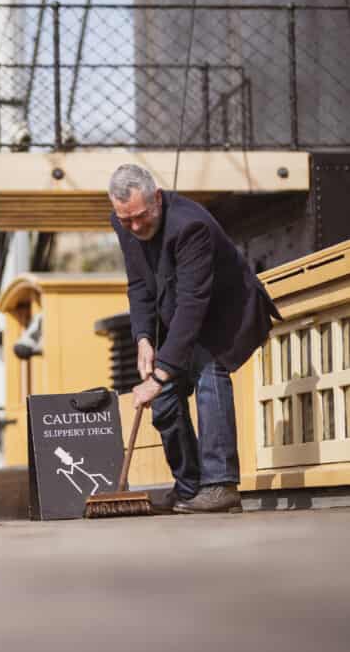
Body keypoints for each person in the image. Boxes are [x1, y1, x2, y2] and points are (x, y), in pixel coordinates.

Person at [109, 163, 281, 514]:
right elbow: (140, 284)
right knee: (166, 402)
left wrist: (158, 376)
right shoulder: (124, 223)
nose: (135, 227)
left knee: (207, 374)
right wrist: (143, 337)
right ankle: (189, 488)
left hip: (225, 314)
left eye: (141, 216)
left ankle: (221, 486)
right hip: (181, 315)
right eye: (127, 220)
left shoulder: (191, 226)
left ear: (156, 197)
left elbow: (193, 304)